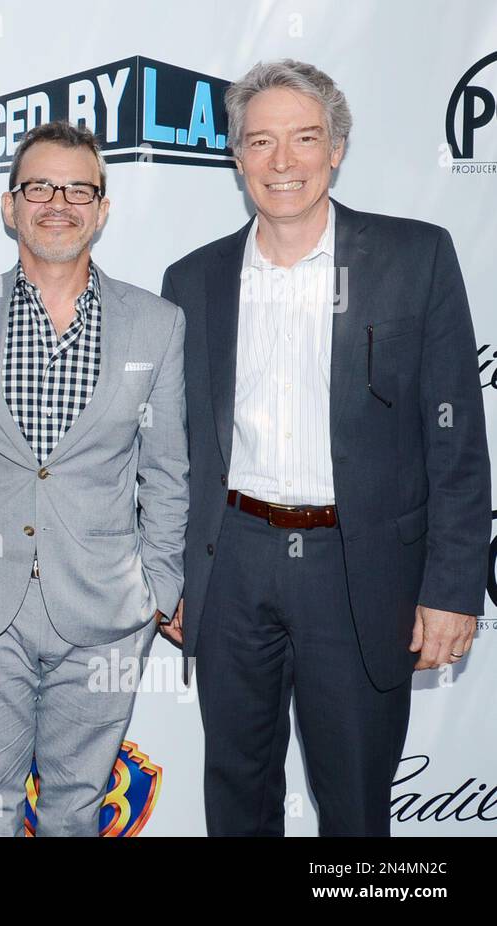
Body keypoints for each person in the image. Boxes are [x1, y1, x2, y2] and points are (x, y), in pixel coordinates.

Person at [160, 59, 490, 836]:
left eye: (304, 139)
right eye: (261, 142)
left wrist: (451, 587)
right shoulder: (193, 279)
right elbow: (171, 450)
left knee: (354, 806)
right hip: (232, 561)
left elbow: (457, 439)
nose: (283, 163)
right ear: (236, 156)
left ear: (336, 148)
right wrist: (169, 573)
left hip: (361, 565)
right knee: (236, 798)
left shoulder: (416, 259)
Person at [0, 120, 187, 836]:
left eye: (80, 189)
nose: (58, 202)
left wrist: (158, 590)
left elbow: (168, 472)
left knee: (79, 809)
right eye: (39, 186)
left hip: (107, 610)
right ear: (9, 205)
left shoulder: (157, 324)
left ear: (103, 210)